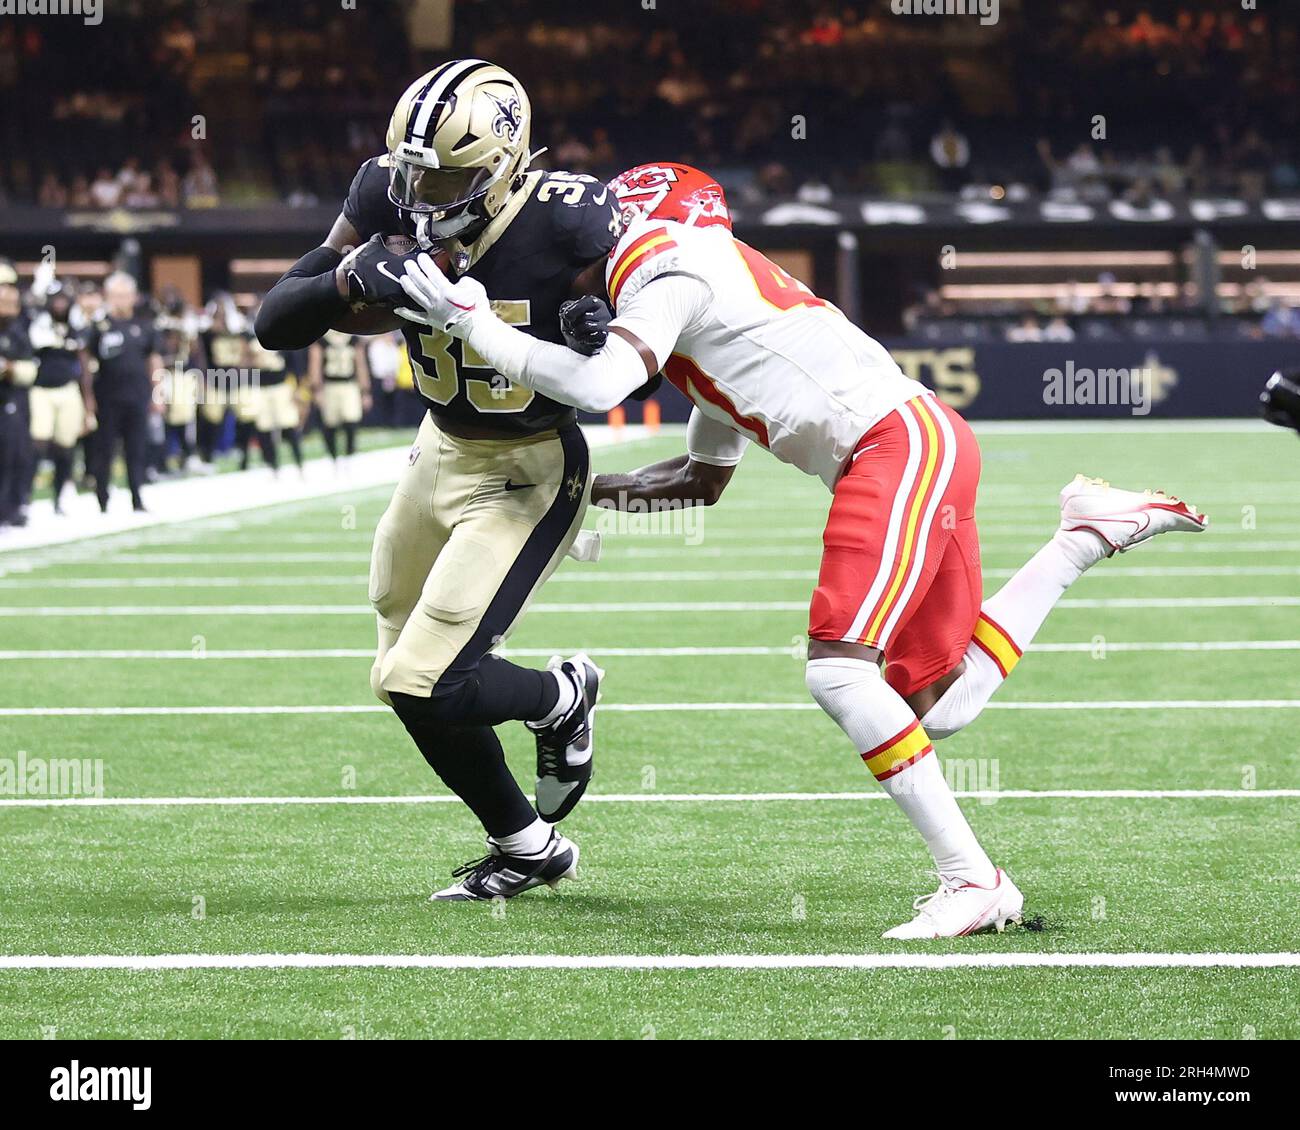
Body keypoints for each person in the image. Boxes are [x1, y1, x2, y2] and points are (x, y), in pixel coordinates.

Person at [397, 161, 1212, 937]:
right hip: (917, 442)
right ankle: (1083, 537)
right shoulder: (715, 310)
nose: (583, 255)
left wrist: (471, 322)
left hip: (896, 448)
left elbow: (599, 386)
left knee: (838, 669)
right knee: (939, 703)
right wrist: (578, 495)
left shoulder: (672, 266)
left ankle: (974, 882)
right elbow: (698, 478)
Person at [255, 60, 622, 901]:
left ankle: (561, 693)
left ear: (502, 164)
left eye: (445, 175)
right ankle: (527, 846)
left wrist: (595, 322)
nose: (419, 192)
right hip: (438, 449)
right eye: (413, 168)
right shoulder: (384, 191)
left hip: (528, 469)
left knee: (425, 676)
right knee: (399, 666)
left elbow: (645, 344)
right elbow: (275, 321)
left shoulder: (570, 219)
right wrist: (345, 280)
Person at [83, 273, 163, 513]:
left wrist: (158, 393)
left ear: (134, 297)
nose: (120, 300)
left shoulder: (144, 326)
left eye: (124, 295)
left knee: (137, 448)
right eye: (115, 296)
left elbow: (154, 360)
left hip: (137, 396)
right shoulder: (99, 327)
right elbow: (87, 362)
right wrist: (88, 399)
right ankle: (102, 498)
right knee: (104, 449)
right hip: (107, 397)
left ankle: (137, 497)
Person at [27, 282, 87, 514]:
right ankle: (26, 495)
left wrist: (88, 396)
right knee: (38, 441)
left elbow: (82, 359)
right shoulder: (38, 322)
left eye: (63, 299)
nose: (59, 303)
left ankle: (60, 494)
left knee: (65, 445)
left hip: (67, 387)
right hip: (41, 388)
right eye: (55, 299)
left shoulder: (76, 324)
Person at [0, 260, 36, 527]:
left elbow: (30, 369)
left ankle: (14, 506)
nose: (10, 294)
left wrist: (8, 368)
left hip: (12, 400)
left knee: (17, 451)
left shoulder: (17, 329)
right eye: (4, 287)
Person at [307, 328, 369, 465]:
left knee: (351, 418)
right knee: (330, 423)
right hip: (329, 386)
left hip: (349, 384)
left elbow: (360, 365)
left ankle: (350, 454)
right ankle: (333, 456)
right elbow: (315, 365)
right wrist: (316, 389)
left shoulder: (353, 339)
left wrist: (365, 391)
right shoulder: (322, 340)